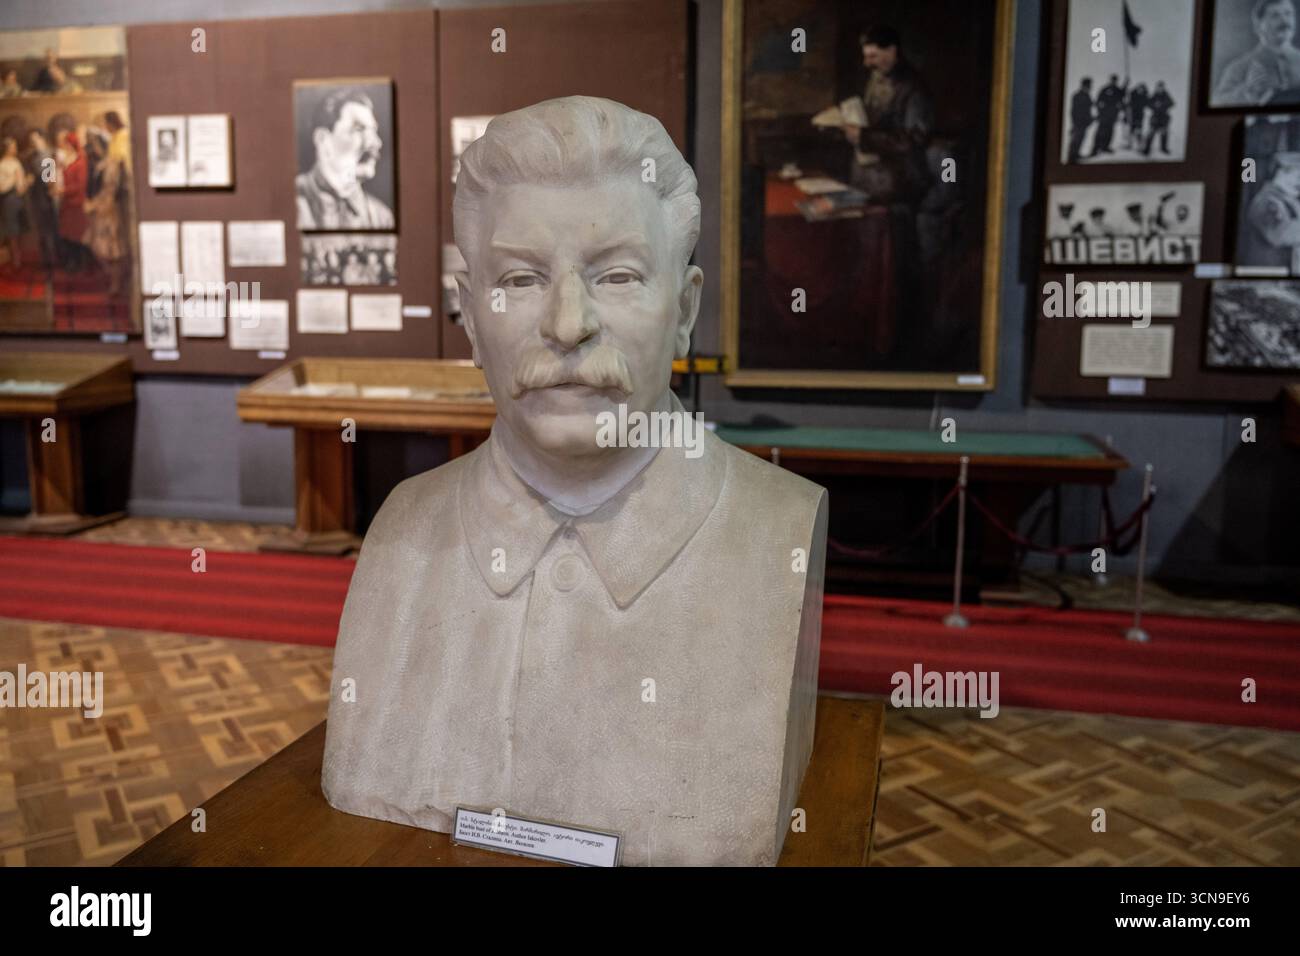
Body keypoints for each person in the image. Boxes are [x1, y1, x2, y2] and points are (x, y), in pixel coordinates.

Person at [321, 96, 827, 867]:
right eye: (521, 279)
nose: (567, 323)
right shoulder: (404, 529)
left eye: (618, 275)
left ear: (685, 311)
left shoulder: (776, 534)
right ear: (467, 311)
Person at [295, 87, 394, 229]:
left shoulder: (382, 218)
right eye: (359, 129)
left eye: (373, 131)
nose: (376, 143)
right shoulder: (292, 204)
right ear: (323, 140)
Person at [1213, 0, 1300, 106]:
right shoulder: (1239, 67)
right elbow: (1218, 102)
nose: (1285, 21)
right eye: (1275, 15)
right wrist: (1247, 91)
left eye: (1288, 14)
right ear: (1258, 25)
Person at [1243, 152, 1300, 271]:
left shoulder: (1289, 201)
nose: (1299, 183)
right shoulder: (1265, 201)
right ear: (1279, 173)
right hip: (1265, 280)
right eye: (1298, 176)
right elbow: (1278, 234)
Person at [0, 136, 28, 271]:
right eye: (13, 146)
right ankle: (15, 259)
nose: (15, 149)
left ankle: (19, 258)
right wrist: (14, 179)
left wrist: (26, 183)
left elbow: (21, 185)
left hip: (19, 200)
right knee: (12, 231)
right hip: (9, 201)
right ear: (7, 148)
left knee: (20, 229)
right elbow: (2, 187)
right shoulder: (2, 165)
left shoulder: (16, 161)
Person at [1091, 75, 1126, 156]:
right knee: (1100, 132)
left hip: (1113, 115)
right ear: (1110, 80)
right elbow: (1098, 101)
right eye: (1112, 80)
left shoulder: (1118, 90)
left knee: (1110, 131)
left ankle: (1105, 147)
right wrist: (1100, 110)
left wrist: (1125, 84)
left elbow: (1122, 96)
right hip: (1103, 115)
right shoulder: (1104, 89)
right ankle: (1095, 148)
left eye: (1115, 80)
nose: (1114, 82)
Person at [1143, 81, 1175, 156]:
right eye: (1159, 87)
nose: (1160, 89)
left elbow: (1172, 103)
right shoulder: (1154, 95)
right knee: (1151, 133)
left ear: (1163, 88)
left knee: (1164, 133)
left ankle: (1163, 148)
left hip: (1164, 118)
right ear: (1157, 88)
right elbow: (1148, 103)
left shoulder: (1166, 95)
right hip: (1155, 117)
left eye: (1161, 87)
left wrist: (1163, 104)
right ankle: (1146, 149)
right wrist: (1154, 105)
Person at [1068, 77, 1094, 162]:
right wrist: (1076, 123)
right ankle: (1071, 158)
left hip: (1084, 122)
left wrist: (1090, 119)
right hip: (1078, 122)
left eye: (1090, 86)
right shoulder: (1077, 96)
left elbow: (1090, 106)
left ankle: (1076, 154)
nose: (1089, 88)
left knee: (1081, 139)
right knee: (1076, 140)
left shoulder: (1087, 95)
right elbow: (1074, 111)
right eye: (1088, 86)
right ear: (1083, 86)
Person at [1125, 82, 1149, 151]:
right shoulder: (1133, 94)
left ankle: (1140, 146)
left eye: (1141, 89)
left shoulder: (1144, 96)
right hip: (1132, 115)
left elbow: (1147, 104)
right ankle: (1129, 144)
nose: (1140, 90)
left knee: (1139, 130)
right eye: (1139, 89)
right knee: (1130, 130)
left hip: (1140, 116)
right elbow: (1128, 103)